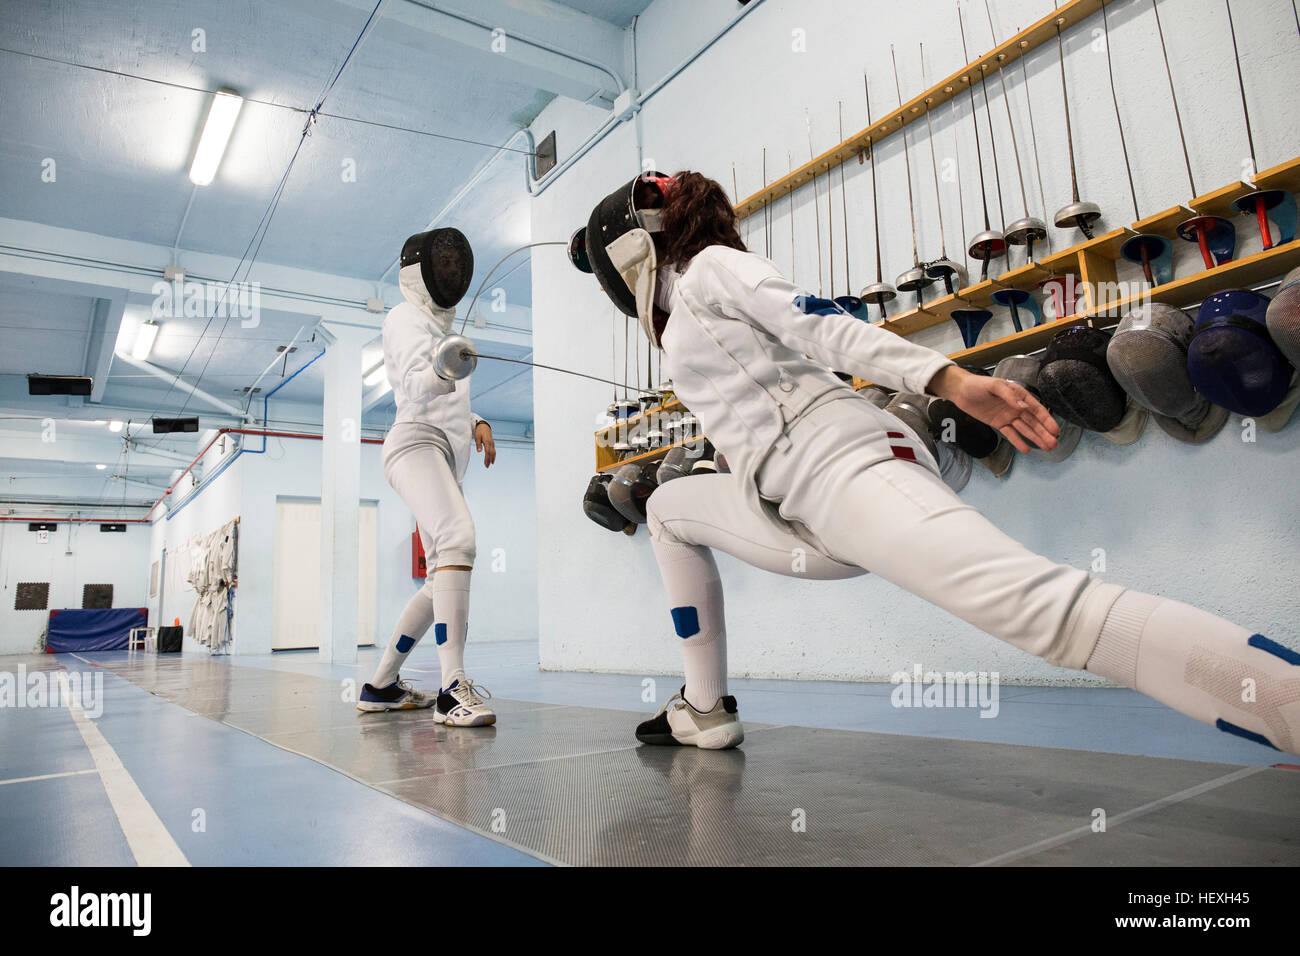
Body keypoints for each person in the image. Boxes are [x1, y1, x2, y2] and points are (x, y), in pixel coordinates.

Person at [583, 170, 1299, 754]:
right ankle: (703, 709)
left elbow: (819, 323)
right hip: (794, 502)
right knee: (669, 510)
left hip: (845, 473)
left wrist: (948, 381)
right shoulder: (693, 312)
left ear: (631, 256)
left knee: (1050, 613)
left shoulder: (711, 269)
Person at [355, 228, 497, 727]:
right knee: (459, 538)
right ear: (420, 272)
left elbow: (451, 395)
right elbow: (417, 383)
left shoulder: (442, 329)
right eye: (445, 264)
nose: (453, 273)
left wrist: (476, 419)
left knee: (441, 577)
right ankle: (450, 690)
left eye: (458, 265)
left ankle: (380, 686)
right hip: (414, 443)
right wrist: (445, 369)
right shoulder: (402, 317)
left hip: (441, 450)